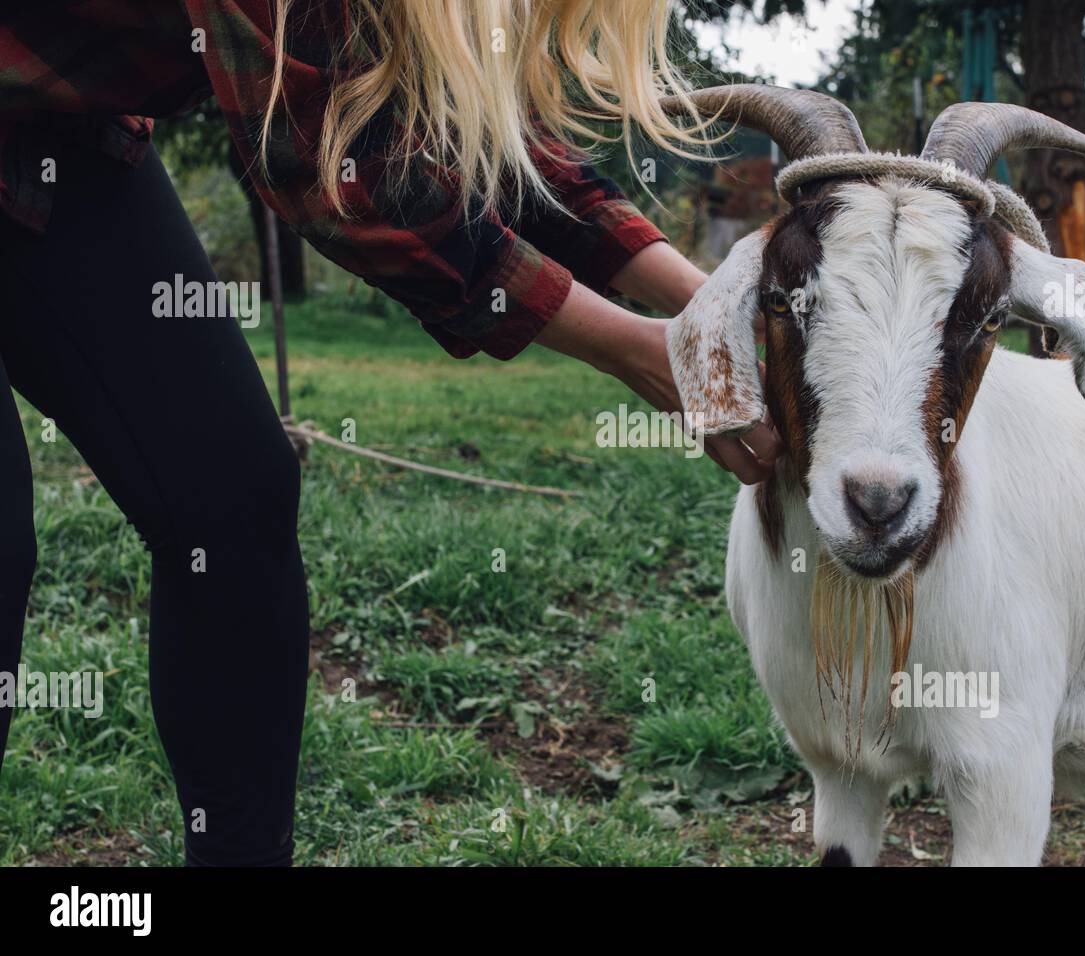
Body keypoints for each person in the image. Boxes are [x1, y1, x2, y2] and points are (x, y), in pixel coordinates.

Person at [0, 0, 779, 866]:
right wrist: (633, 349)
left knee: (230, 498)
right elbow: (338, 170)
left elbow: (492, 158)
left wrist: (711, 303)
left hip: (60, 127)